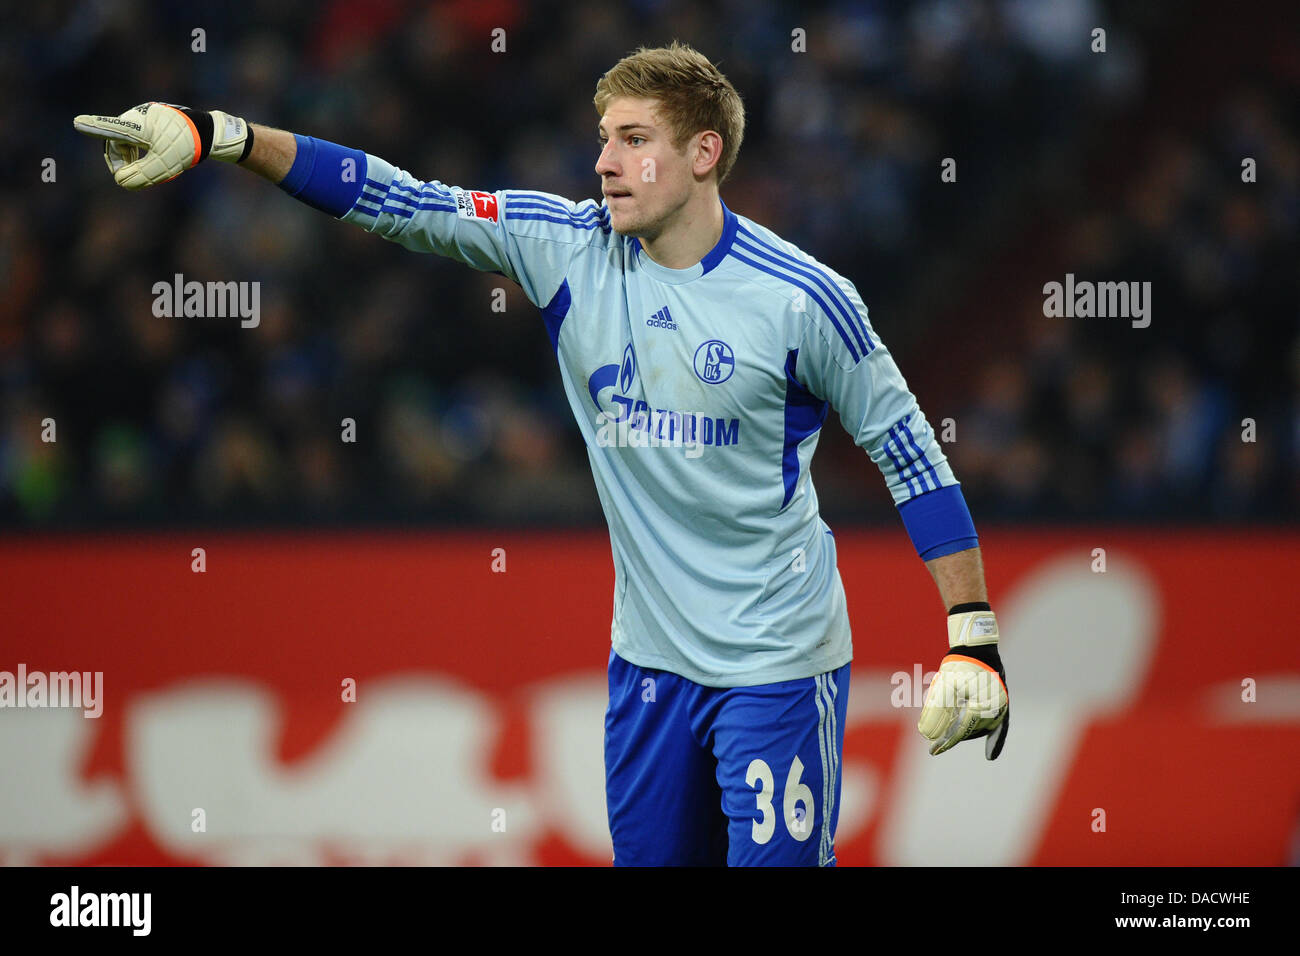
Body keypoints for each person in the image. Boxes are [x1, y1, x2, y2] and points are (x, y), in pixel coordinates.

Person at [74, 40, 1008, 867]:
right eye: (604, 137)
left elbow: (909, 454)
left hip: (776, 661)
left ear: (703, 153)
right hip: (647, 664)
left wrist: (973, 638)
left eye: (634, 139)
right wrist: (221, 134)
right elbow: (399, 201)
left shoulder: (804, 301)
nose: (604, 162)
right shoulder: (564, 248)